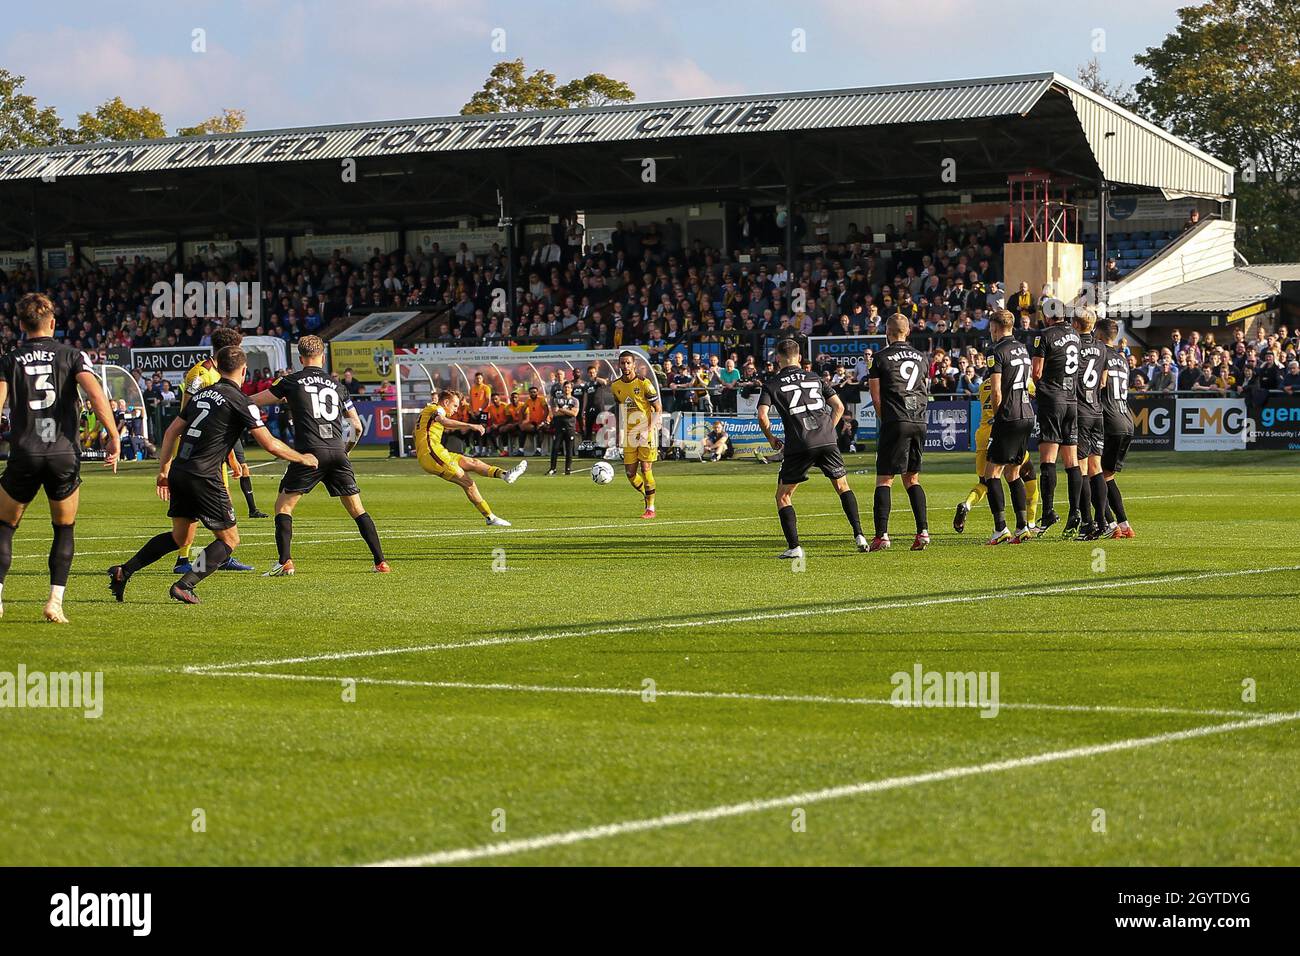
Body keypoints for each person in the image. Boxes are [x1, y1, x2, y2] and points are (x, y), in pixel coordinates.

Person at [108, 346, 317, 605]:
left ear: (218, 367)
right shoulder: (241, 401)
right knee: (229, 539)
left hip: (180, 470)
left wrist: (164, 470)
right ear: (244, 370)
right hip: (204, 476)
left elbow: (171, 431)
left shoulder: (201, 395)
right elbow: (270, 444)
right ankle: (185, 585)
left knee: (180, 538)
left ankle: (124, 571)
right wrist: (303, 458)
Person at [0, 292, 120, 623]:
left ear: (21, 325)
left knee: (5, 526)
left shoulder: (9, 360)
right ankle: (55, 602)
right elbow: (95, 394)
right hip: (63, 452)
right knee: (64, 528)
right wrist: (113, 435)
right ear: (52, 323)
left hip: (25, 451)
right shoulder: (72, 355)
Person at [251, 335, 389, 576]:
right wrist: (346, 451)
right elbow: (357, 426)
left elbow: (254, 402)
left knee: (283, 506)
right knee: (357, 509)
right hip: (337, 452)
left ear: (301, 358)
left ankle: (285, 562)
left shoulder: (291, 381)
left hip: (309, 453)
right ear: (323, 357)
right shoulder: (338, 385)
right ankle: (381, 562)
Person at [756, 337, 866, 558]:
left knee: (783, 496)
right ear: (799, 357)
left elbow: (762, 415)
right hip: (827, 439)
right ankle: (860, 536)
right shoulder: (814, 377)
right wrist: (828, 430)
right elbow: (839, 406)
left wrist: (771, 438)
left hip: (800, 443)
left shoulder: (772, 383)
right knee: (842, 486)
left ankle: (794, 547)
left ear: (778, 358)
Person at [414, 389, 526, 526]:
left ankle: (505, 475)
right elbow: (443, 420)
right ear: (446, 402)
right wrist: (470, 425)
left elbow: (419, 431)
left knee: (473, 462)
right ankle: (490, 517)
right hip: (433, 454)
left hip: (437, 452)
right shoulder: (437, 409)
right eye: (455, 406)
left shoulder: (428, 409)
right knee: (468, 483)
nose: (456, 410)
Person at [867, 314, 930, 551]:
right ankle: (923, 532)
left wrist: (887, 420)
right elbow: (924, 389)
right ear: (908, 331)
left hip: (896, 419)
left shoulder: (880, 358)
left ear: (887, 332)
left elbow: (876, 398)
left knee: (885, 479)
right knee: (912, 478)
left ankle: (881, 535)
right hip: (919, 421)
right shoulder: (922, 357)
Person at [981, 310, 1036, 545]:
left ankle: (1000, 528)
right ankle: (1022, 527)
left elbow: (995, 390)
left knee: (991, 473)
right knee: (1013, 473)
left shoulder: (996, 351)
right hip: (1027, 413)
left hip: (1009, 415)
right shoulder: (1022, 348)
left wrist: (998, 416)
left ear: (994, 327)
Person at [1031, 306, 1083, 534]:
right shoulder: (1075, 335)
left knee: (1048, 459)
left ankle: (1048, 512)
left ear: (1047, 316)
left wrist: (1039, 389)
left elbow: (1036, 372)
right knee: (1072, 461)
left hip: (1052, 399)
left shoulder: (1044, 335)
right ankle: (1075, 512)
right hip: (1072, 400)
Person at [1096, 319, 1136, 539]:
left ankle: (1110, 525)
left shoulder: (1100, 353)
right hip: (1126, 420)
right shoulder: (1122, 359)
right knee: (1107, 475)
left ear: (1099, 335)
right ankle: (1124, 524)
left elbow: (1101, 384)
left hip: (1109, 419)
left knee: (1092, 472)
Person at [611, 351, 661, 518]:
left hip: (646, 432)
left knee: (646, 469)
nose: (625, 366)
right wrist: (618, 432)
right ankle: (647, 495)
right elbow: (619, 410)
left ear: (634, 365)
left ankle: (650, 508)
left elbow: (658, 409)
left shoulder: (644, 383)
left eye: (628, 363)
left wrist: (648, 429)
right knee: (630, 474)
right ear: (619, 365)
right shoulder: (615, 386)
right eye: (622, 363)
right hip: (629, 434)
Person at [1072, 309, 1108, 539]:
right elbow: (1103, 381)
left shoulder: (1074, 346)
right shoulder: (1102, 347)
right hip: (1097, 410)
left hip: (1081, 411)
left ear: (1076, 325)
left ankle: (1088, 523)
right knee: (1097, 468)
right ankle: (1102, 521)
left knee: (1082, 468)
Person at [547, 380, 579, 475]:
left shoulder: (575, 400)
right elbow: (555, 413)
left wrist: (561, 409)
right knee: (555, 448)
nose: (567, 389)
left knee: (569, 449)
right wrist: (568, 410)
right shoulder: (557, 400)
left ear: (571, 389)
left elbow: (574, 413)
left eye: (568, 387)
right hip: (559, 427)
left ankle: (568, 469)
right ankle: (552, 468)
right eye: (565, 387)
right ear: (562, 388)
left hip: (570, 427)